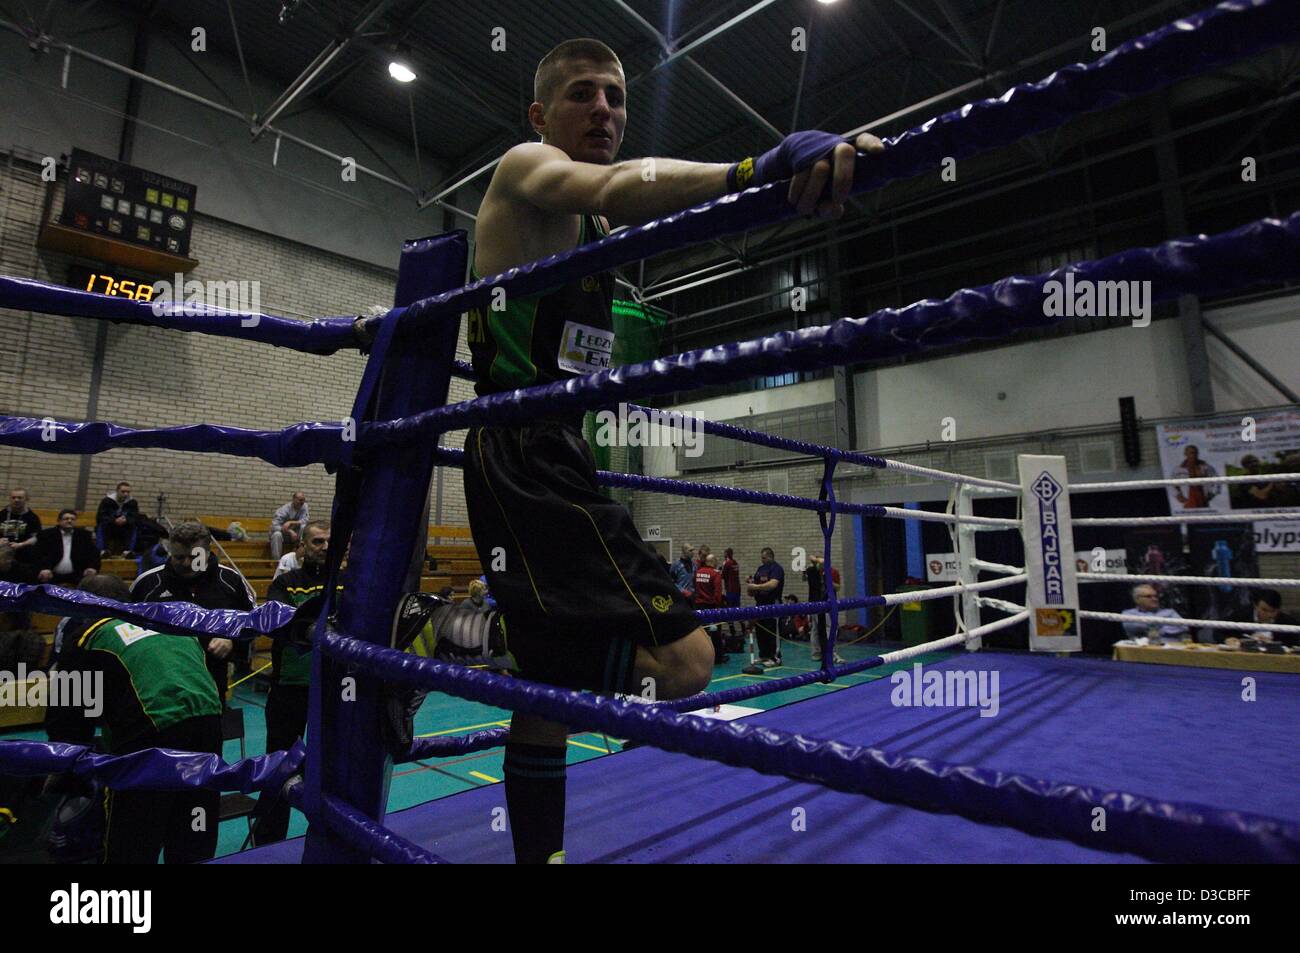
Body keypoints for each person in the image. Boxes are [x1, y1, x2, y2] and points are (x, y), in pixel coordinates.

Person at [458, 37, 879, 863]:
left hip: (557, 451)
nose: (606, 111)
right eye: (584, 95)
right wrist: (758, 167)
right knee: (688, 663)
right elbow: (624, 181)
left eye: (616, 97)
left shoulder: (591, 225)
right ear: (542, 115)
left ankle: (538, 847)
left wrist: (786, 193)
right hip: (522, 452)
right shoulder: (524, 169)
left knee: (547, 697)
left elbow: (642, 199)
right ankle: (506, 647)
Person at [44, 573, 222, 863]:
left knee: (133, 835)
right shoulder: (167, 622)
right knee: (192, 823)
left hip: (150, 735)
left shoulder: (89, 636)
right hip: (208, 725)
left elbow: (67, 716)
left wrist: (61, 765)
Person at [256, 520, 332, 843]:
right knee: (280, 767)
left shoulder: (345, 584)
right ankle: (269, 842)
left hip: (332, 692)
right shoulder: (286, 583)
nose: (324, 548)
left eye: (329, 542)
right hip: (289, 690)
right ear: (301, 547)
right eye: (317, 542)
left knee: (332, 768)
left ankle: (332, 838)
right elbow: (276, 622)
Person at [130, 520, 255, 705]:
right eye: (179, 557)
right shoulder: (147, 584)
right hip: (157, 686)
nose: (187, 563)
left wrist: (231, 639)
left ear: (207, 550)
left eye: (194, 556)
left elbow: (252, 622)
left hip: (211, 684)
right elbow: (125, 628)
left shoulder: (230, 581)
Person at [743, 546, 785, 674]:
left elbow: (773, 584)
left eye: (764, 557)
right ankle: (764, 655)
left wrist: (756, 586)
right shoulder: (760, 569)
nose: (762, 560)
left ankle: (775, 657)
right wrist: (750, 585)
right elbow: (752, 589)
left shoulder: (776, 568)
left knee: (772, 630)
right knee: (761, 630)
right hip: (760, 604)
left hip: (772, 603)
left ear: (770, 556)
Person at [31, 509, 100, 586]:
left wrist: (92, 567)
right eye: (66, 519)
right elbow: (38, 554)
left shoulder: (84, 535)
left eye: (72, 519)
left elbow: (94, 554)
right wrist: (43, 568)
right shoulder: (47, 535)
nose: (69, 521)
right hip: (51, 574)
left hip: (77, 575)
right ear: (59, 521)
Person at [1222, 588, 1299, 647]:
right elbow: (1218, 631)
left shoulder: (1287, 622)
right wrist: (1227, 639)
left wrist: (1273, 644)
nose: (1269, 614)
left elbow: (1296, 641)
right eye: (1264, 610)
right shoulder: (1241, 615)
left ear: (1279, 610)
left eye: (1273, 611)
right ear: (1255, 606)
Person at [805, 553, 845, 664]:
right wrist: (818, 561)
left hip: (828, 603)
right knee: (818, 629)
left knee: (827, 628)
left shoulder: (832, 572)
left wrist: (828, 581)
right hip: (815, 604)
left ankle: (827, 653)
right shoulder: (813, 571)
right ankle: (823, 653)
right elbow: (811, 557)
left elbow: (837, 587)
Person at [1120, 584, 1188, 642]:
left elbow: (1184, 627)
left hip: (1170, 649)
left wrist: (1159, 631)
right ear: (1137, 599)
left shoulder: (1170, 612)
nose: (1155, 599)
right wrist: (1163, 623)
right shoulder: (1128, 614)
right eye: (1149, 596)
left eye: (1155, 596)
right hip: (1141, 650)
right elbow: (1133, 627)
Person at [693, 552, 727, 663]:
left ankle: (701, 658)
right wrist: (718, 606)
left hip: (699, 606)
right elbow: (718, 593)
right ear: (712, 562)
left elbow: (695, 588)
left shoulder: (697, 572)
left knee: (701, 633)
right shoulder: (715, 574)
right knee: (715, 633)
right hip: (711, 607)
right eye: (716, 561)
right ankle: (718, 657)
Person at [95, 481, 139, 556]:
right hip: (110, 526)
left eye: (128, 492)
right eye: (123, 492)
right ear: (117, 491)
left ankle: (128, 551)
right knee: (102, 525)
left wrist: (126, 520)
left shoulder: (132, 502)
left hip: (124, 527)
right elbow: (101, 516)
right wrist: (114, 520)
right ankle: (102, 551)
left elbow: (134, 517)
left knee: (133, 526)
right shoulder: (107, 501)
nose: (126, 494)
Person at [270, 492, 309, 560]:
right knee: (277, 534)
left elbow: (305, 520)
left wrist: (291, 522)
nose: (302, 502)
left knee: (304, 527)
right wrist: (290, 531)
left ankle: (300, 556)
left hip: (295, 537)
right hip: (283, 536)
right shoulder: (283, 510)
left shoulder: (304, 506)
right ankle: (276, 561)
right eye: (300, 500)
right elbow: (274, 526)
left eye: (303, 500)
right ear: (293, 499)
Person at [721, 547, 741, 644]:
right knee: (737, 608)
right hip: (737, 589)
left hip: (730, 589)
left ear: (727, 554)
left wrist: (720, 570)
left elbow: (722, 576)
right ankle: (743, 627)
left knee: (730, 609)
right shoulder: (735, 562)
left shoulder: (727, 563)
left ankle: (732, 630)